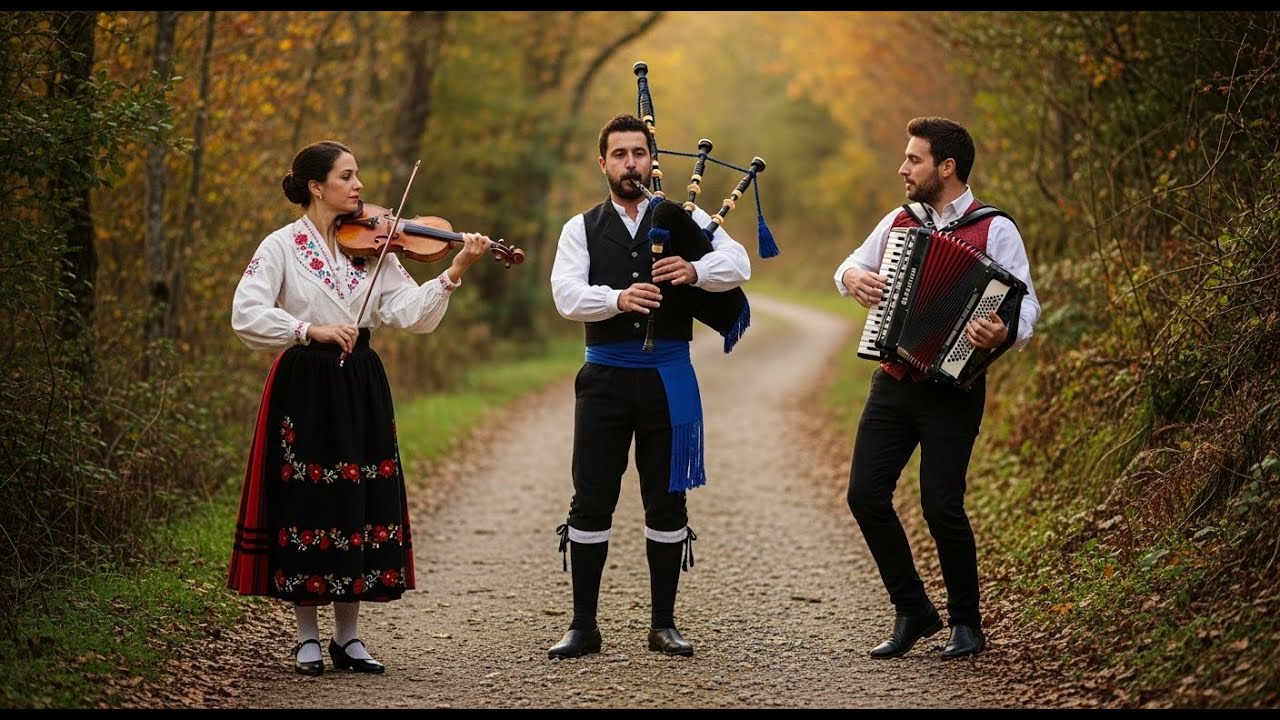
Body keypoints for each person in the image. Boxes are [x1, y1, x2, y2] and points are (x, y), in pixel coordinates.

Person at [227, 140, 492, 676]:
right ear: (315, 186)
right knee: (306, 500)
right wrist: (307, 329)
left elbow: (409, 314)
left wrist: (455, 268)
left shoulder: (376, 247)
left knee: (356, 499)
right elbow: (246, 313)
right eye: (347, 177)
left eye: (358, 176)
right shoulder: (280, 246)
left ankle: (348, 638)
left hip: (361, 383)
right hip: (305, 380)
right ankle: (305, 637)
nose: (359, 187)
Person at [833, 116, 1040, 660]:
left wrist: (1005, 329)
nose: (903, 168)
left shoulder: (995, 228)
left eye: (914, 160)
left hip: (954, 388)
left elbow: (1028, 304)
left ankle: (966, 625)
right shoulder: (902, 220)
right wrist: (852, 278)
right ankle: (914, 612)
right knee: (864, 495)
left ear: (946, 168)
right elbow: (851, 264)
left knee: (941, 507)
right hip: (894, 380)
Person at [546, 113, 752, 659]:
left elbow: (738, 263)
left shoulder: (683, 215)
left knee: (667, 501)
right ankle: (583, 626)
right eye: (620, 154)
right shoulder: (581, 228)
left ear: (651, 159)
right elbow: (566, 295)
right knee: (591, 499)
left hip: (669, 378)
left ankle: (664, 624)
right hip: (605, 379)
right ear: (604, 163)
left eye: (639, 153)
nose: (630, 163)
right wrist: (617, 298)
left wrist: (695, 271)